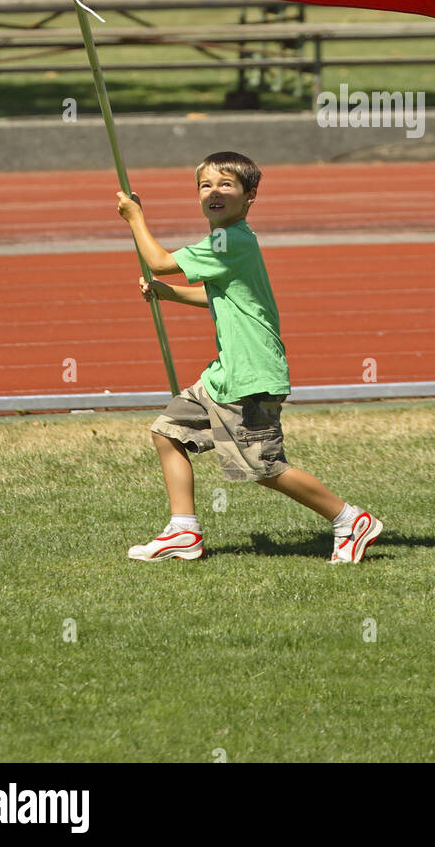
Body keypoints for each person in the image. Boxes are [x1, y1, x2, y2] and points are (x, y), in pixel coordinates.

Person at [117, 149, 382, 565]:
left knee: (265, 467)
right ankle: (183, 531)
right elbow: (217, 295)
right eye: (206, 185)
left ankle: (350, 520)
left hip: (251, 376)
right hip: (224, 375)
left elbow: (160, 261)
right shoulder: (232, 242)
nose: (214, 192)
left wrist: (134, 217)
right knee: (167, 431)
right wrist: (170, 295)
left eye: (226, 184)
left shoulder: (229, 239)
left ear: (249, 195)